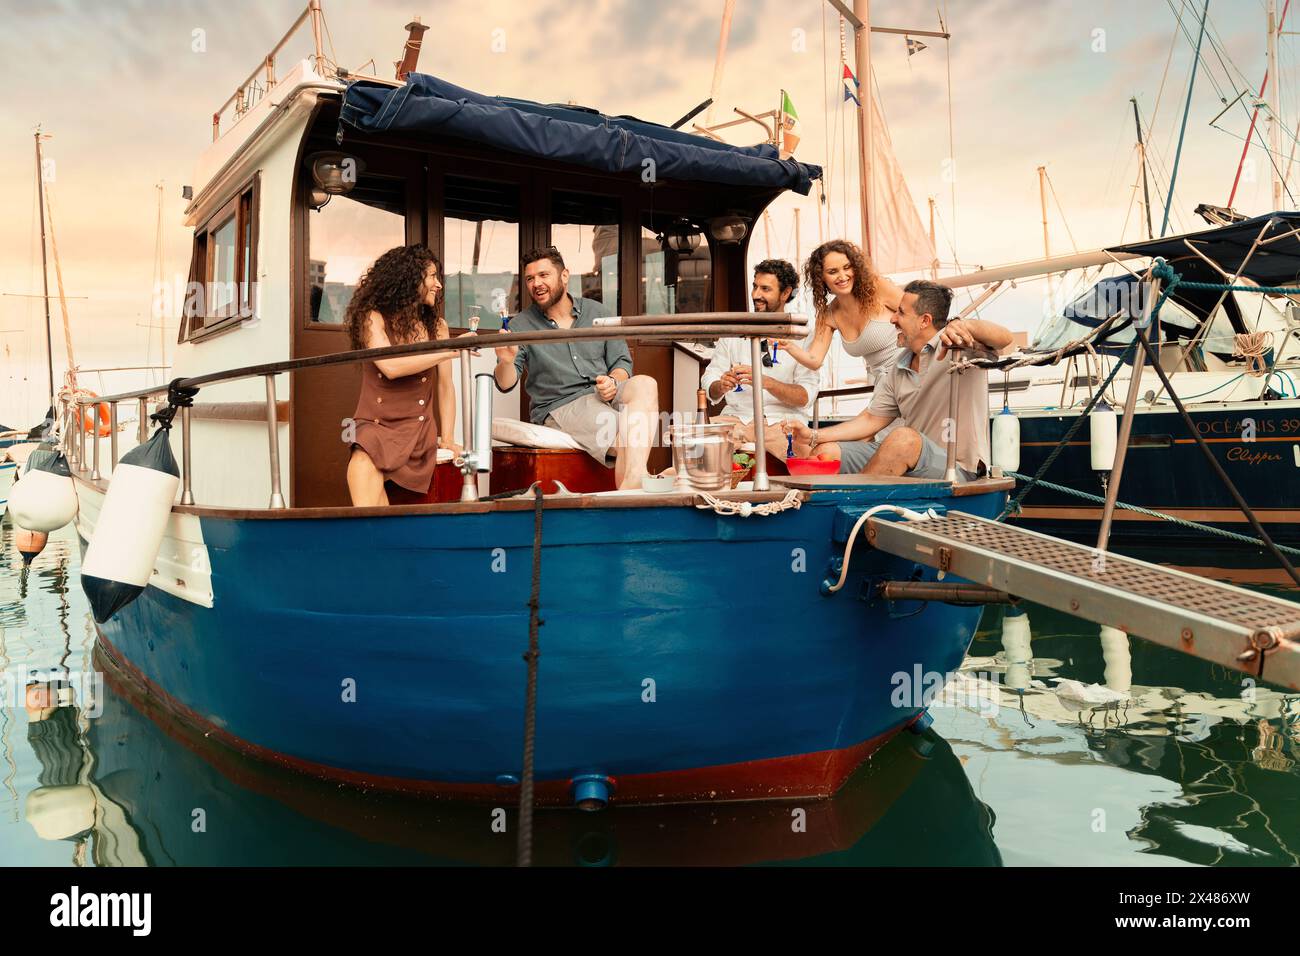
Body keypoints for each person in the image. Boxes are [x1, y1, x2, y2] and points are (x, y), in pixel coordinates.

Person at [786, 279, 1012, 480]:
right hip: (913, 458)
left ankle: (854, 514)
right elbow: (871, 420)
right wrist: (815, 435)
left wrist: (966, 325)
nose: (893, 318)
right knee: (827, 453)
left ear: (925, 321)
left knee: (903, 440)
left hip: (958, 467)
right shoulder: (899, 365)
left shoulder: (959, 345)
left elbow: (1005, 338)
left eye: (901, 313)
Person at [493, 246, 659, 489]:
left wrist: (612, 381)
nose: (536, 283)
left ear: (564, 276)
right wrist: (506, 361)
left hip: (604, 395)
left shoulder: (597, 312)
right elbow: (505, 383)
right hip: (561, 405)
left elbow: (622, 363)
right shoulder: (520, 325)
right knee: (625, 431)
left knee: (646, 383)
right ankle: (635, 484)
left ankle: (631, 487)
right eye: (530, 278)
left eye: (543, 275)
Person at [345, 245, 469, 507]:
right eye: (432, 276)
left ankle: (382, 544)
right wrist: (448, 351)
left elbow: (447, 386)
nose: (438, 285)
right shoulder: (372, 317)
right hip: (376, 425)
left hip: (418, 429)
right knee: (362, 456)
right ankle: (374, 541)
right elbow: (391, 367)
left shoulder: (437, 326)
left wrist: (447, 437)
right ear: (409, 279)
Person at [701, 259, 821, 457]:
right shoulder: (733, 333)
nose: (756, 295)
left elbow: (805, 396)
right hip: (735, 421)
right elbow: (709, 381)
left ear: (785, 293)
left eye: (765, 289)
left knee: (806, 465)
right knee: (692, 440)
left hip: (782, 424)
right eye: (755, 287)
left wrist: (767, 383)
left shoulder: (804, 336)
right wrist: (720, 385)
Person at [780, 239, 904, 382]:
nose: (843, 276)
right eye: (833, 272)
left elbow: (919, 317)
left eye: (847, 267)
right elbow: (814, 360)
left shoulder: (877, 288)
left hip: (910, 373)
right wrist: (787, 345)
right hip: (883, 384)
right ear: (821, 278)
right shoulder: (828, 315)